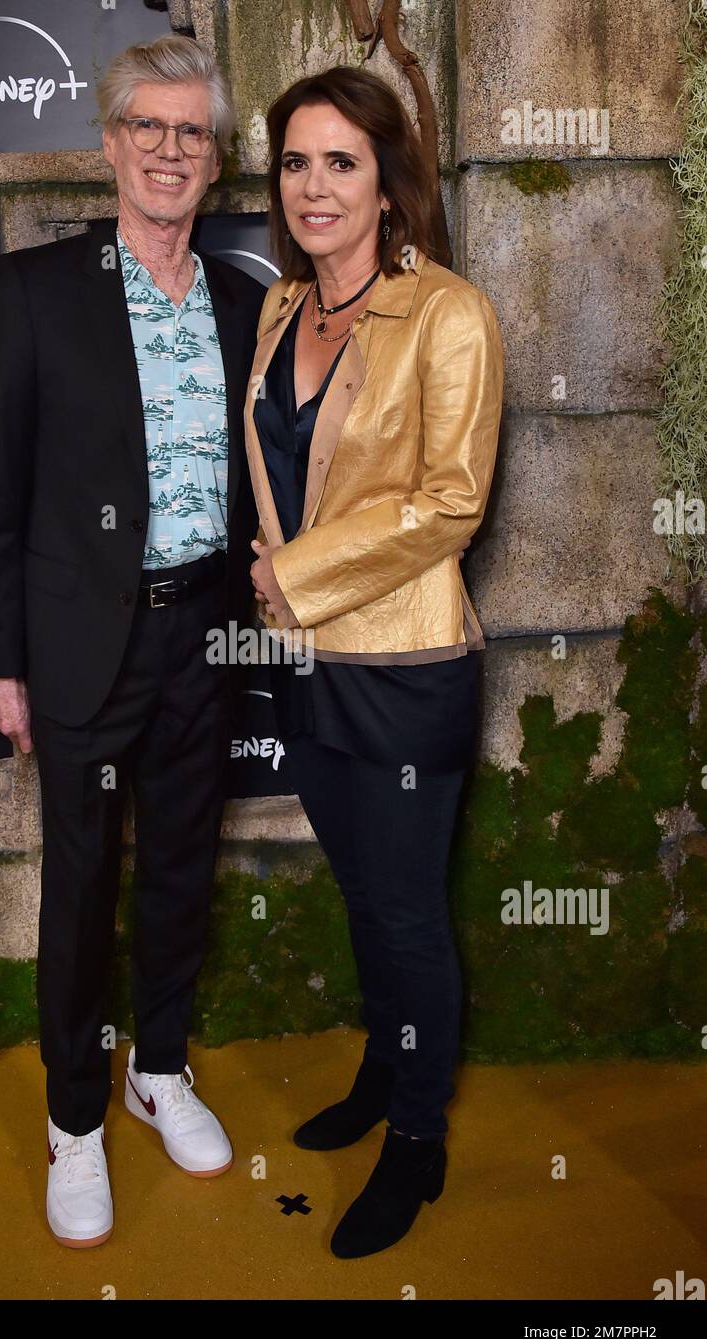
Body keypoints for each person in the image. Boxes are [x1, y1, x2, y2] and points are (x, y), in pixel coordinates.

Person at [0, 35, 265, 1248]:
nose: (170, 150)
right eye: (149, 126)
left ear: (212, 156)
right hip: (83, 642)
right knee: (85, 888)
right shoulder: (35, 292)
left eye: (193, 132)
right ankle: (75, 1119)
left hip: (203, 632)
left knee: (185, 864)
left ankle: (163, 1066)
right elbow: (1, 494)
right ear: (108, 143)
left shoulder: (244, 301)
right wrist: (0, 661)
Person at [246, 66, 504, 1259]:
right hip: (308, 663)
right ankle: (377, 1070)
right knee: (363, 896)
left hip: (401, 666)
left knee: (406, 916)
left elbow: (449, 503)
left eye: (341, 161)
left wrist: (292, 576)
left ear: (389, 185)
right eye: (296, 162)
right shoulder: (281, 310)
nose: (315, 186)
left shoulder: (447, 313)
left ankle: (415, 1139)